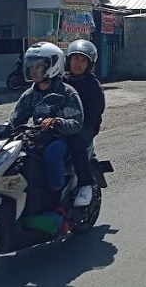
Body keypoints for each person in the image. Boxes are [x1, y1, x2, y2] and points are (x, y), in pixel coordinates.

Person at [7, 42, 84, 206]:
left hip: (60, 139)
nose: (33, 70)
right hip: (37, 137)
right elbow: (15, 120)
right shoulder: (29, 94)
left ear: (53, 66)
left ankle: (55, 197)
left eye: (39, 66)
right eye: (31, 65)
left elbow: (76, 123)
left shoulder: (66, 92)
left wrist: (57, 121)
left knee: (52, 152)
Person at [63, 39, 106, 207]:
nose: (78, 64)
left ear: (89, 65)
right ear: (69, 60)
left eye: (83, 60)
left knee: (75, 142)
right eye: (75, 59)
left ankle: (85, 184)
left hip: (84, 127)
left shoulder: (92, 86)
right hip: (61, 124)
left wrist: (75, 125)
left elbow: (94, 114)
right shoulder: (61, 81)